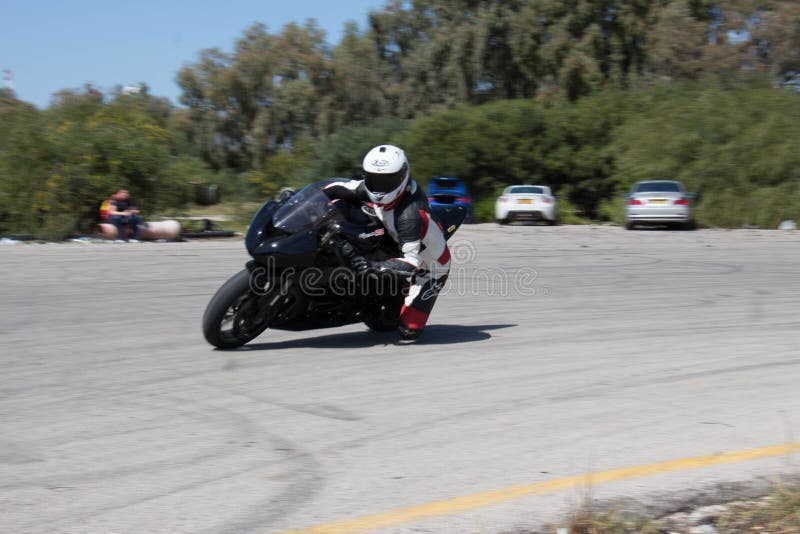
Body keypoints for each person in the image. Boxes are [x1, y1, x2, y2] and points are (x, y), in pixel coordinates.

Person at [323, 144, 451, 341]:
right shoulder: (371, 188)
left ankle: (402, 295)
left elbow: (411, 262)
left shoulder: (409, 216)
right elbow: (341, 187)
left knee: (409, 331)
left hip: (428, 267)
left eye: (387, 180)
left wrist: (373, 266)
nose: (380, 186)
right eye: (374, 179)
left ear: (403, 175)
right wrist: (302, 197)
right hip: (393, 238)